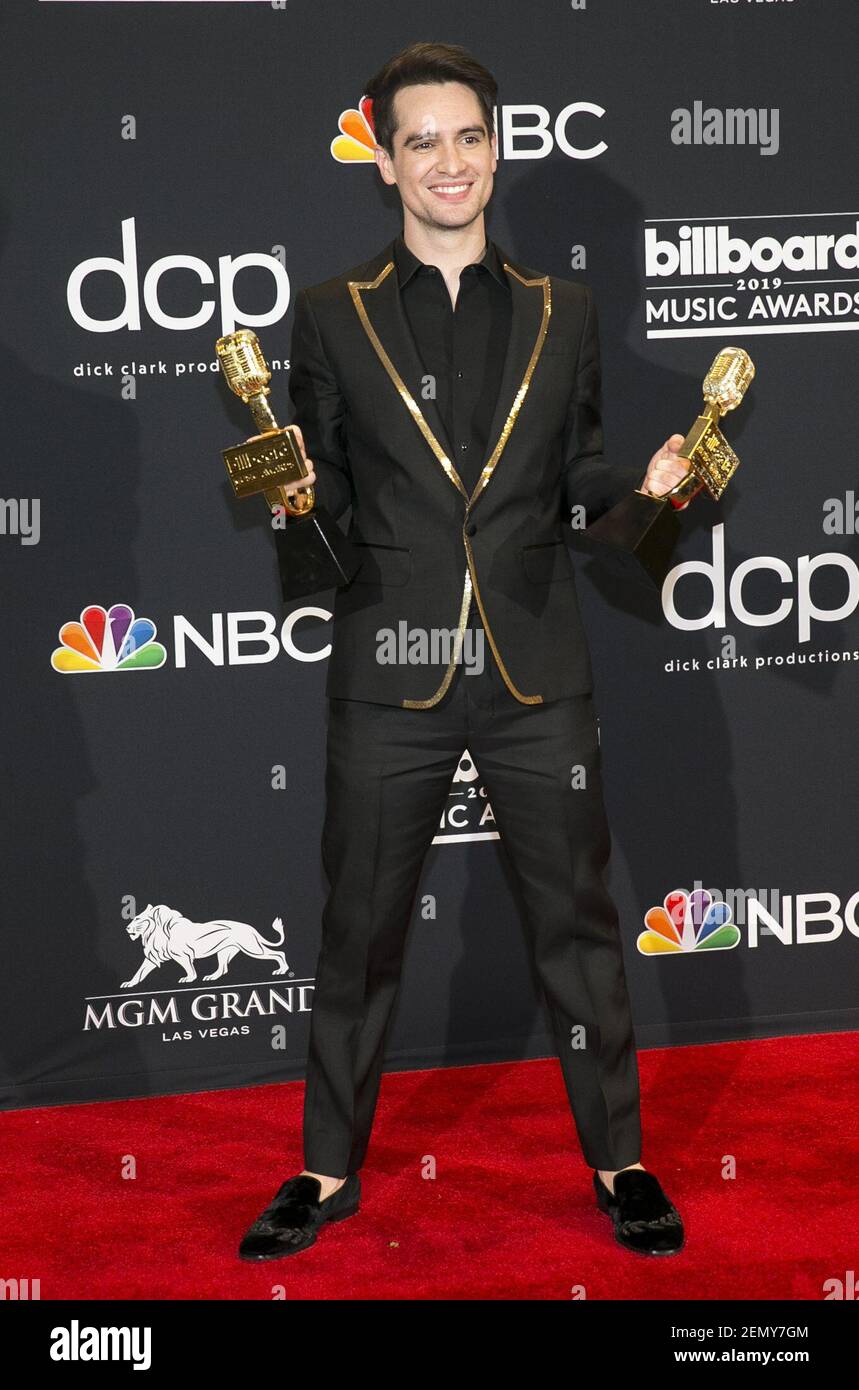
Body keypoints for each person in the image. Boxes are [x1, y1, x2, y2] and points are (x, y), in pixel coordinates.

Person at [239, 41, 688, 1263]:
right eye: (421, 139)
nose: (449, 160)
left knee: (580, 928)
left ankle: (620, 1160)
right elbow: (325, 491)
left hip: (538, 667)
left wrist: (646, 496)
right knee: (358, 930)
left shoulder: (566, 310)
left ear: (499, 149)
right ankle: (324, 1171)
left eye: (469, 136)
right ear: (383, 160)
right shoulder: (330, 315)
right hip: (393, 669)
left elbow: (576, 483)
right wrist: (293, 501)